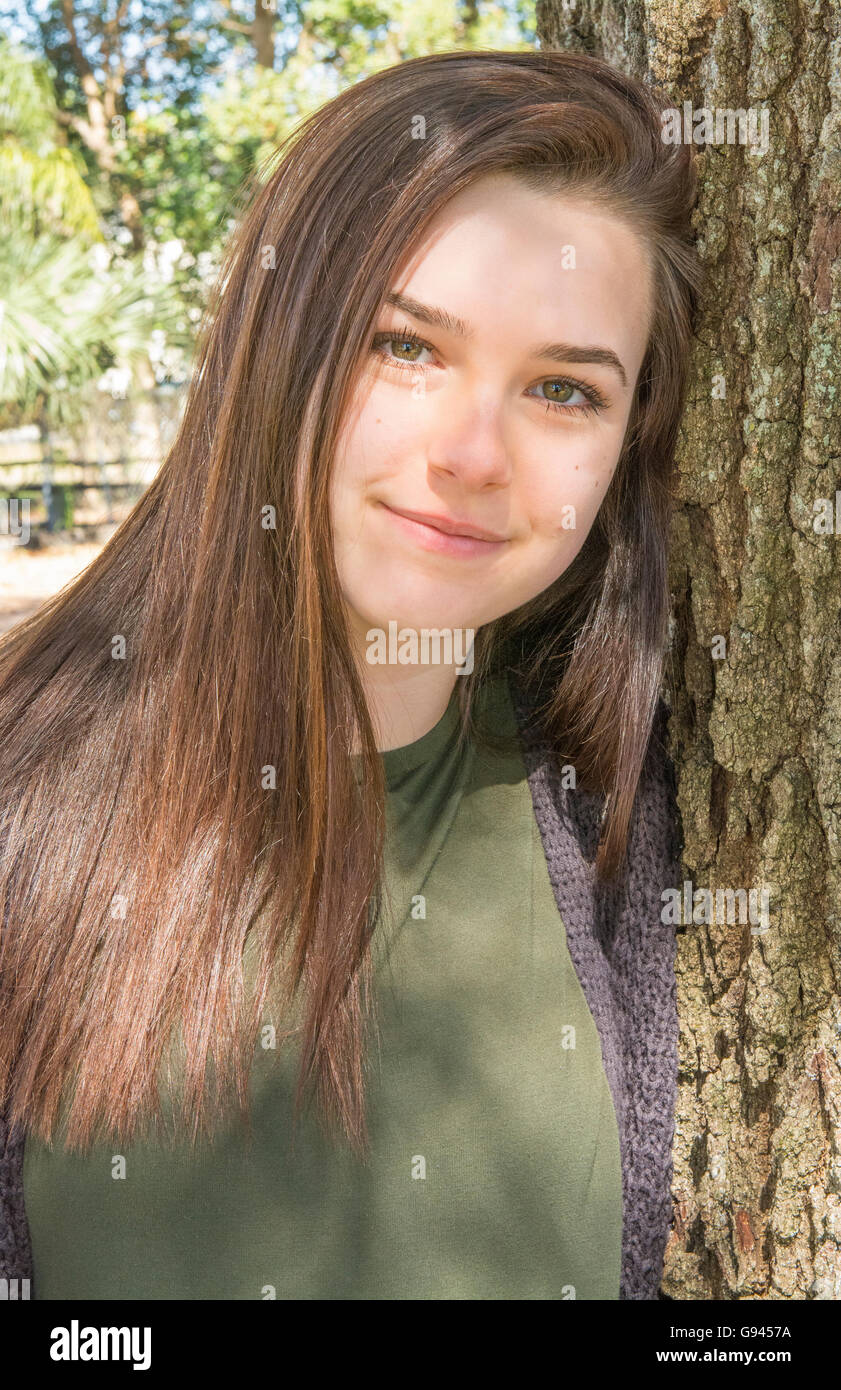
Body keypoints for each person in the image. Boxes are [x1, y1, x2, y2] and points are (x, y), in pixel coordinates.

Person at [0, 47, 702, 1301]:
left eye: (562, 390)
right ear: (280, 342)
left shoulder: (625, 807)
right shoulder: (23, 797)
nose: (472, 454)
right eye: (406, 345)